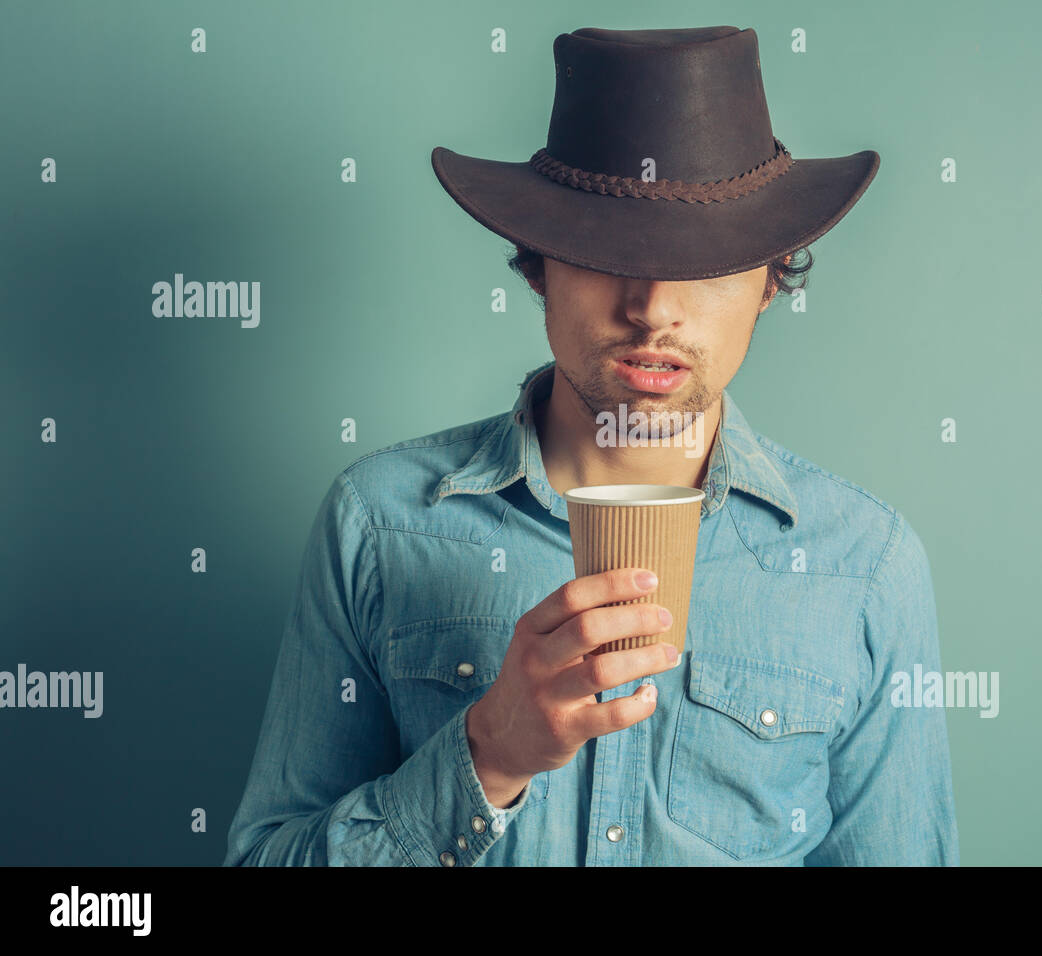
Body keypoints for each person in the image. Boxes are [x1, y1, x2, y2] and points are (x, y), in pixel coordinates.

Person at [224, 25, 958, 866]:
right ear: (539, 264)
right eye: (609, 254)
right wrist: (488, 755)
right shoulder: (379, 522)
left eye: (707, 262)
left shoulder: (865, 565)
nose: (652, 309)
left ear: (770, 278)